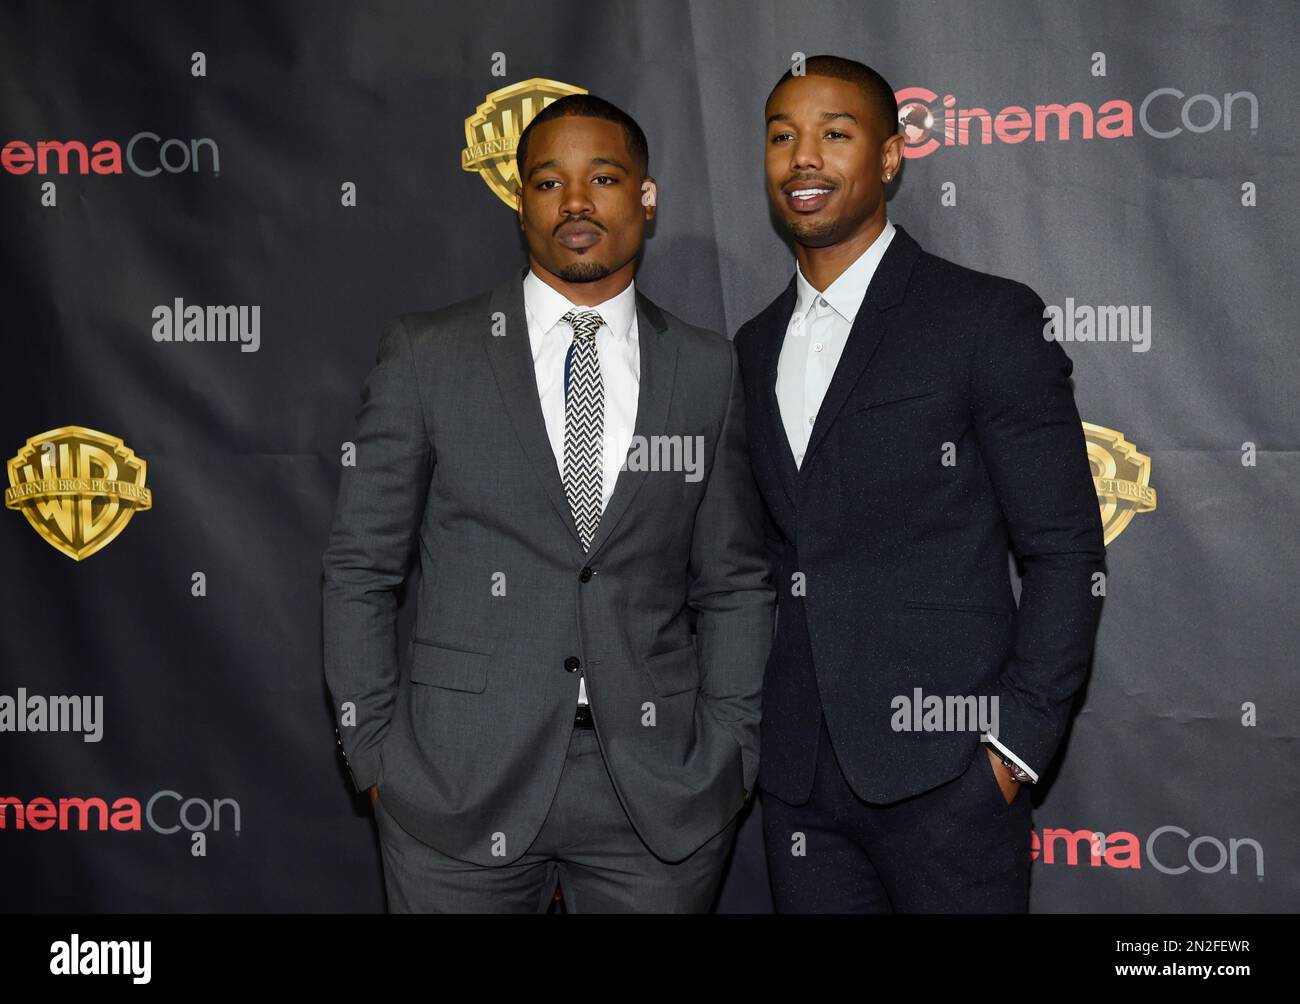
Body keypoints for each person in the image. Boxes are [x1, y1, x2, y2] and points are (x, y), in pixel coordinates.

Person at [323, 94, 773, 912]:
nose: (574, 202)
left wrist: (731, 752)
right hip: (454, 787)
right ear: (521, 204)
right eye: (547, 182)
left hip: (658, 797)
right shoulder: (430, 354)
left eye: (603, 178)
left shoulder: (706, 369)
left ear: (646, 197)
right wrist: (375, 753)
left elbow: (735, 582)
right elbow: (361, 568)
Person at [733, 56, 1106, 912]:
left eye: (835, 133)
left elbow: (1065, 552)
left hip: (951, 781)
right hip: (798, 786)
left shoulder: (984, 318)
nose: (803, 157)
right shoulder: (752, 347)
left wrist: (1011, 752)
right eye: (782, 136)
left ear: (891, 156)